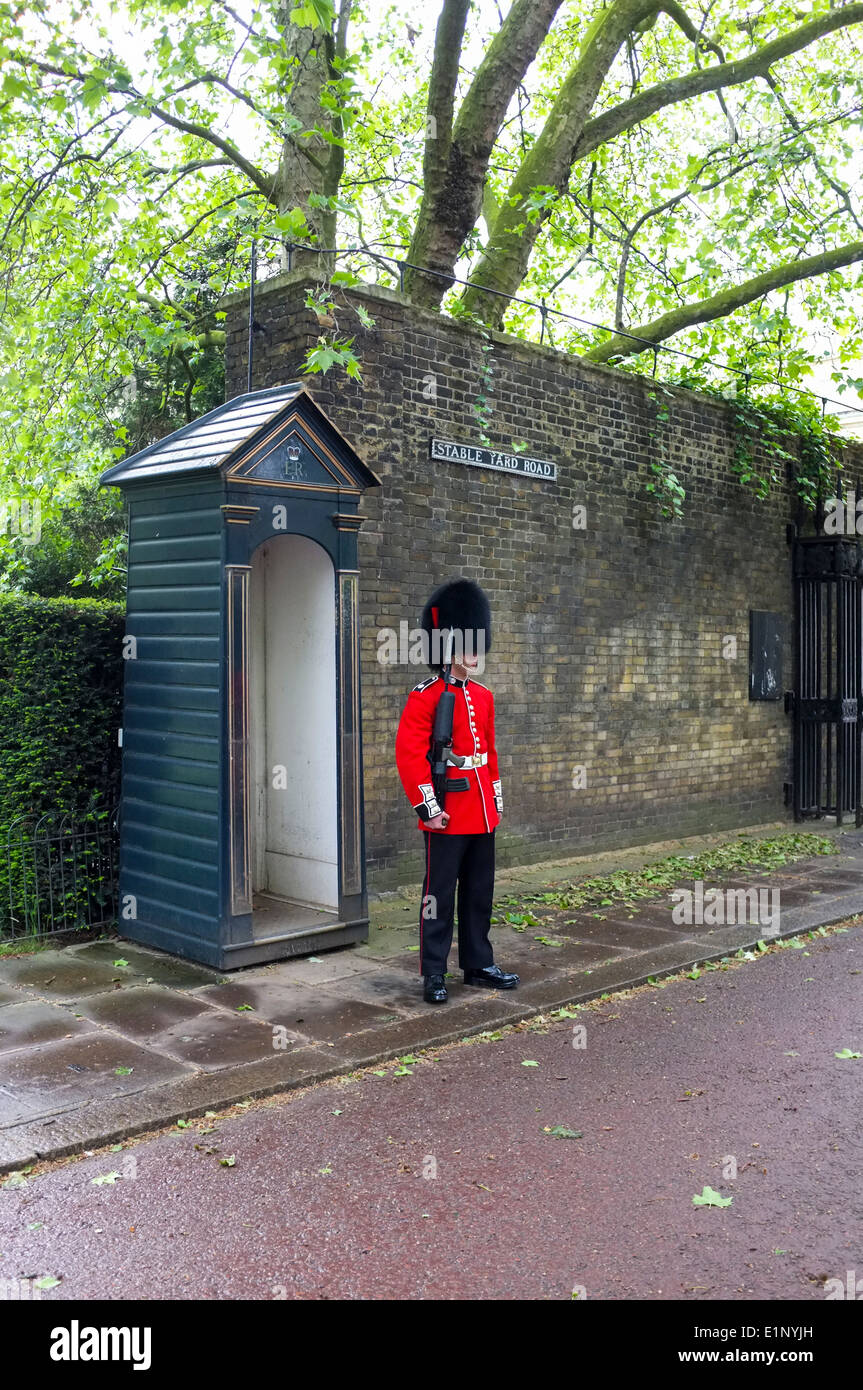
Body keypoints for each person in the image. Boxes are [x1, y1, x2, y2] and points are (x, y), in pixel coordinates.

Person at [394, 578, 519, 1005]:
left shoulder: (483, 696)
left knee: (480, 890)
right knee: (439, 894)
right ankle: (433, 970)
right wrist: (428, 807)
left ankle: (478, 963)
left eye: (476, 643)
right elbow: (410, 756)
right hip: (448, 808)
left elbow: (490, 752)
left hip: (481, 807)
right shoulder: (426, 697)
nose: (474, 653)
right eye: (467, 643)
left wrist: (496, 801)